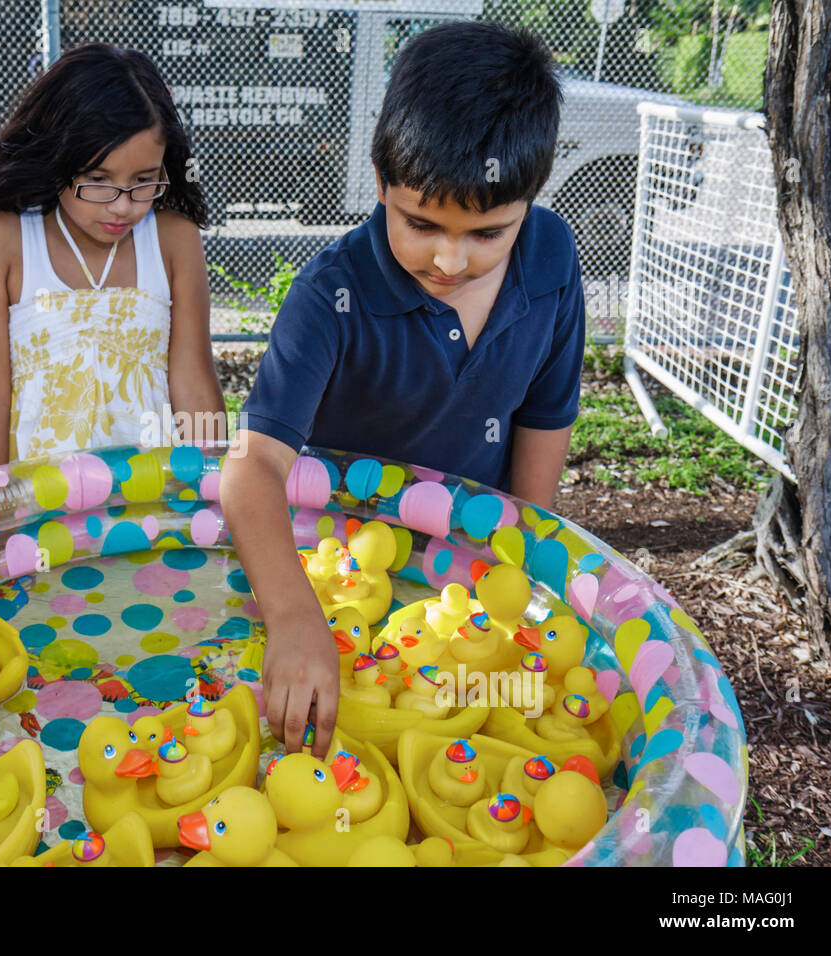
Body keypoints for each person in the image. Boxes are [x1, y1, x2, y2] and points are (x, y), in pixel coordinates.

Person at [220, 21, 586, 758]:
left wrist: (522, 577)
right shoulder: (331, 295)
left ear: (530, 202)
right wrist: (295, 622)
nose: (449, 259)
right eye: (420, 223)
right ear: (381, 181)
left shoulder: (551, 261)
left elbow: (544, 426)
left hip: (468, 575)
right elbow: (252, 467)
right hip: (331, 573)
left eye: (488, 233)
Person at [0, 43, 225, 469]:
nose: (122, 205)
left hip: (154, 503)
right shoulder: (1, 237)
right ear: (57, 157)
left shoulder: (174, 239)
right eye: (98, 179)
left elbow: (193, 381)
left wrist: (210, 485)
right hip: (38, 508)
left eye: (144, 180)